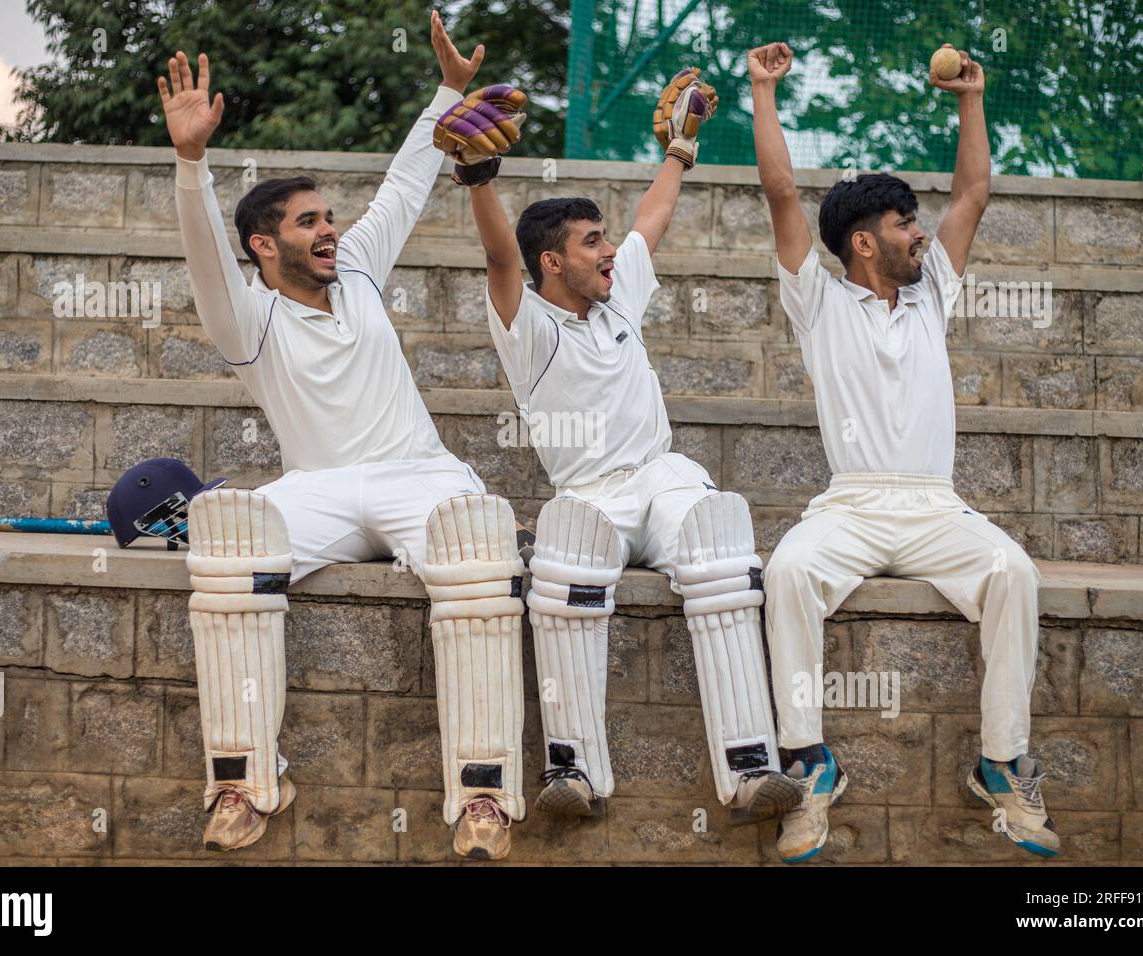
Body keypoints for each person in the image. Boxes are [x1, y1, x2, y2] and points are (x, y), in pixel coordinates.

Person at [158, 11, 526, 861]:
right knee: (226, 542)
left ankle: (483, 795)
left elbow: (404, 182)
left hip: (417, 476)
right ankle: (246, 781)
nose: (329, 230)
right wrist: (190, 162)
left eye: (329, 216)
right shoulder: (245, 319)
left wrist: (448, 90)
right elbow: (205, 254)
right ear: (264, 244)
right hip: (317, 487)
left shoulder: (356, 267)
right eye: (306, 223)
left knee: (477, 555)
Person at [436, 70, 803, 825]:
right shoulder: (530, 329)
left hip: (663, 480)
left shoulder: (617, 296)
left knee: (721, 541)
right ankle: (573, 772)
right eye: (591, 243)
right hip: (591, 494)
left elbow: (651, 220)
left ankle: (752, 770)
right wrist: (477, 180)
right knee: (565, 560)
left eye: (604, 239)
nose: (610, 251)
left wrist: (680, 148)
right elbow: (502, 259)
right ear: (553, 263)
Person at [749, 41, 1058, 862]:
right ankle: (811, 765)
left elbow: (975, 191)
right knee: (786, 572)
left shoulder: (932, 295)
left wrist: (971, 99)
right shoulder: (817, 299)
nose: (921, 234)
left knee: (1014, 574)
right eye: (903, 225)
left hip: (933, 505)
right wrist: (762, 90)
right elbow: (780, 191)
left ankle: (1000, 764)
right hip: (849, 505)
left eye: (918, 222)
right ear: (861, 243)